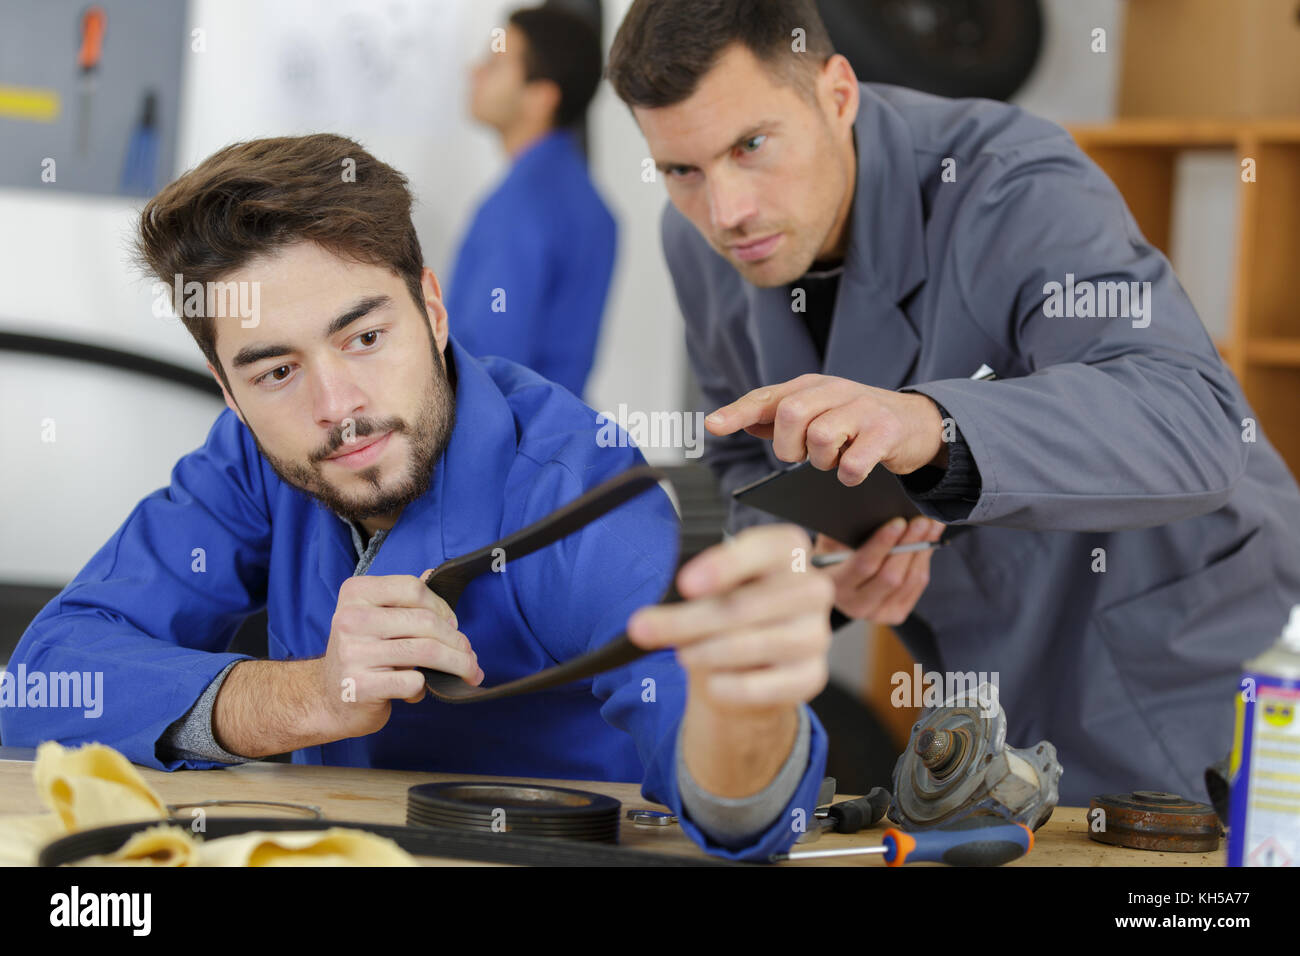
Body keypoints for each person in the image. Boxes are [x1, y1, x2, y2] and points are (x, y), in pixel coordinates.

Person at [0, 134, 836, 862]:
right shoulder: (253, 460)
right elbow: (44, 681)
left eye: (365, 337)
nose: (338, 405)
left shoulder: (572, 490)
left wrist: (742, 714)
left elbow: (749, 813)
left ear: (432, 310)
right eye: (277, 370)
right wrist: (305, 698)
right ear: (228, 388)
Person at [607, 0, 1300, 803]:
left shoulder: (1013, 178)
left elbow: (1194, 421)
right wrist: (815, 566)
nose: (726, 213)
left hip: (1197, 648)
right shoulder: (694, 243)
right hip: (989, 682)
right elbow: (745, 463)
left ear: (836, 93)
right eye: (680, 171)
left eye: (751, 145)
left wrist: (930, 426)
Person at [448, 4, 615, 398]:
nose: (474, 72)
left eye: (495, 63)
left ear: (540, 97)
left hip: (506, 443)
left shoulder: (520, 207)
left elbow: (482, 367)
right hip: (550, 436)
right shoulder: (584, 199)